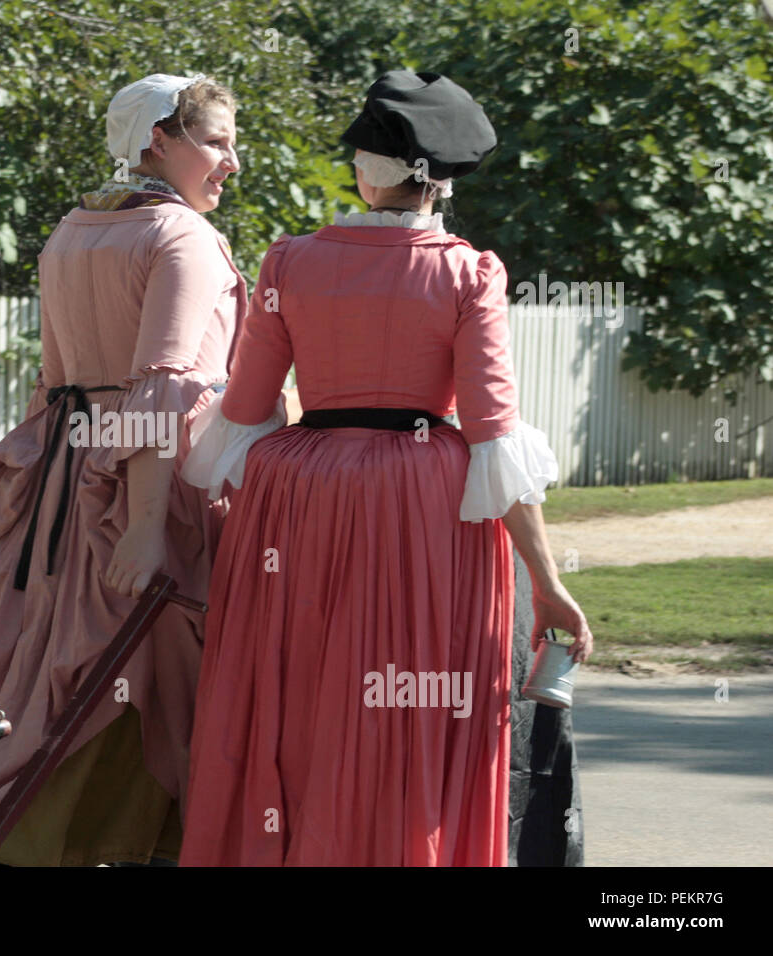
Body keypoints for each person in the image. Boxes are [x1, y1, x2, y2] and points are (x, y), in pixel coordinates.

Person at [178, 70, 594, 866]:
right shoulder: (468, 272)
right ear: (440, 183)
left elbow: (247, 410)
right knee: (416, 704)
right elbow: (491, 433)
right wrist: (546, 579)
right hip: (423, 500)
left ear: (369, 173)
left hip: (297, 499)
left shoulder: (289, 261)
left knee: (298, 699)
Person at [0, 74, 255, 866]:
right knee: (134, 667)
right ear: (157, 143)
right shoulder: (181, 238)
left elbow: (56, 386)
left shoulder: (71, 231)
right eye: (216, 142)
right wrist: (141, 529)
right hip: (147, 491)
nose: (231, 161)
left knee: (27, 665)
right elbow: (162, 387)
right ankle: (101, 844)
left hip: (60, 488)